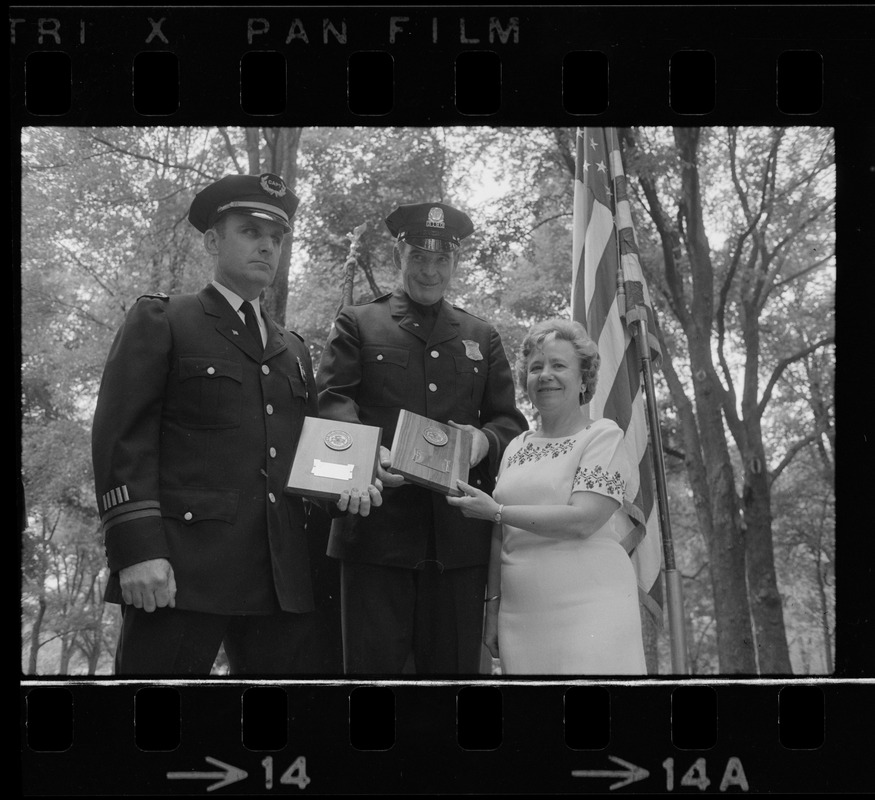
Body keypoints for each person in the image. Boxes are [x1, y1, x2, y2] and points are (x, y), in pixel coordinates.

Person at [91, 173, 380, 675]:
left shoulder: (292, 349)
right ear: (212, 240)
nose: (267, 246)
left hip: (280, 579)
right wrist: (137, 551)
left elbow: (304, 457)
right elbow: (121, 439)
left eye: (276, 238)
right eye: (250, 232)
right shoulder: (164, 319)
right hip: (181, 574)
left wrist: (351, 485)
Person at [316, 201, 528, 675]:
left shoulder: (481, 335)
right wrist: (370, 454)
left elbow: (510, 423)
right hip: (374, 536)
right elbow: (332, 402)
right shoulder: (358, 324)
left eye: (441, 260)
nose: (430, 271)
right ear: (399, 256)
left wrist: (481, 441)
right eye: (419, 257)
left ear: (455, 263)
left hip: (457, 545)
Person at [447, 318, 647, 674]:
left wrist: (497, 511)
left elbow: (584, 520)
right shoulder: (514, 446)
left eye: (559, 365)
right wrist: (492, 611)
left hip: (591, 609)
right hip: (520, 617)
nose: (545, 375)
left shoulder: (602, 437)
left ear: (584, 378)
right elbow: (499, 535)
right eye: (536, 367)